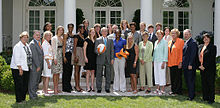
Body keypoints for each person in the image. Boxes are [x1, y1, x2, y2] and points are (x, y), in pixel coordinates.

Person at [10, 31, 32, 103]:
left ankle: (23, 98)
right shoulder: (18, 46)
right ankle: (19, 100)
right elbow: (17, 58)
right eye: (24, 37)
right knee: (19, 84)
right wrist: (20, 68)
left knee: (25, 84)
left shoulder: (27, 45)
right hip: (17, 68)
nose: (25, 39)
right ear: (21, 38)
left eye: (26, 37)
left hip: (26, 67)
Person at [94, 27, 114, 93]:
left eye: (106, 31)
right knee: (99, 74)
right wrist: (98, 52)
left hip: (108, 59)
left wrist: (112, 58)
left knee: (108, 74)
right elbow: (95, 50)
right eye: (103, 31)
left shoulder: (110, 40)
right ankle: (99, 88)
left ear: (107, 32)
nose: (104, 32)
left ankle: (107, 88)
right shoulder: (98, 40)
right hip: (100, 58)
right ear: (101, 32)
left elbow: (112, 50)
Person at [199, 33, 216, 104]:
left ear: (210, 39)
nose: (206, 39)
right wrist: (199, 66)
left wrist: (204, 66)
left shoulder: (213, 47)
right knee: (204, 83)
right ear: (203, 39)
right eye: (204, 38)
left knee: (210, 84)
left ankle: (211, 99)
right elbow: (198, 56)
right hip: (201, 68)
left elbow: (211, 58)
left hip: (210, 69)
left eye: (207, 38)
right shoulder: (201, 46)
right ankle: (205, 97)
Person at [182, 29, 198, 101]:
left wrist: (190, 64)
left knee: (190, 81)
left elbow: (193, 55)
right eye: (184, 34)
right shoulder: (186, 42)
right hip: (185, 65)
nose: (185, 35)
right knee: (187, 80)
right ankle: (191, 94)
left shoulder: (193, 43)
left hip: (190, 65)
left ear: (190, 35)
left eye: (187, 34)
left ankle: (191, 96)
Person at [168, 28, 184, 95]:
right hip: (171, 62)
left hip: (177, 62)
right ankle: (173, 90)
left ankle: (178, 91)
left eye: (174, 33)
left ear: (177, 34)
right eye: (172, 33)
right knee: (172, 77)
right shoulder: (169, 42)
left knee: (178, 78)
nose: (173, 34)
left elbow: (181, 52)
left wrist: (180, 62)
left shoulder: (180, 41)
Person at [28, 30, 44, 100]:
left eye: (39, 35)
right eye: (37, 35)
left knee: (36, 81)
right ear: (33, 36)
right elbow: (35, 56)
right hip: (35, 66)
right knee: (33, 81)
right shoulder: (32, 44)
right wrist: (38, 66)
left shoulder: (38, 43)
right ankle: (32, 95)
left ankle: (34, 94)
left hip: (39, 66)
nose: (38, 36)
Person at [153, 30, 168, 95]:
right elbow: (154, 52)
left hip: (161, 61)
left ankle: (162, 89)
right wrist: (153, 61)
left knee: (161, 75)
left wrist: (164, 62)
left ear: (162, 35)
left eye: (160, 34)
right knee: (156, 75)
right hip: (156, 61)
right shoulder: (156, 42)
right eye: (157, 34)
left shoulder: (164, 42)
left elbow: (165, 52)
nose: (158, 36)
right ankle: (157, 88)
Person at [72, 24, 85, 92]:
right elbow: (74, 46)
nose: (82, 30)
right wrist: (75, 56)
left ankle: (78, 85)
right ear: (79, 29)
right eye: (81, 28)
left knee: (79, 70)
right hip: (77, 52)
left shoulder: (82, 36)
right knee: (76, 70)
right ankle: (76, 86)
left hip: (81, 52)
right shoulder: (76, 36)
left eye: (83, 28)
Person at [51, 26, 64, 94]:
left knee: (58, 73)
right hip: (56, 56)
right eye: (60, 30)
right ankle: (54, 89)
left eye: (62, 30)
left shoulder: (62, 38)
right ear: (57, 30)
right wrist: (54, 58)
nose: (61, 31)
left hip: (60, 57)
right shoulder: (54, 38)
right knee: (55, 73)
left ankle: (57, 88)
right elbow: (53, 49)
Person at [62, 23, 74, 93]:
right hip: (66, 54)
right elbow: (64, 46)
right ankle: (65, 87)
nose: (70, 29)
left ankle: (69, 85)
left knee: (70, 71)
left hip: (71, 54)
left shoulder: (73, 35)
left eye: (71, 27)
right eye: (69, 27)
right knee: (66, 71)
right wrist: (64, 56)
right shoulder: (66, 35)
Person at [42, 31, 53, 95]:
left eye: (50, 35)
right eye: (47, 35)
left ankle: (44, 89)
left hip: (48, 61)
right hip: (47, 61)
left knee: (45, 76)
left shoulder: (47, 43)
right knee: (47, 76)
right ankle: (46, 91)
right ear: (45, 36)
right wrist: (48, 64)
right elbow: (45, 55)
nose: (49, 36)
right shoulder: (45, 44)